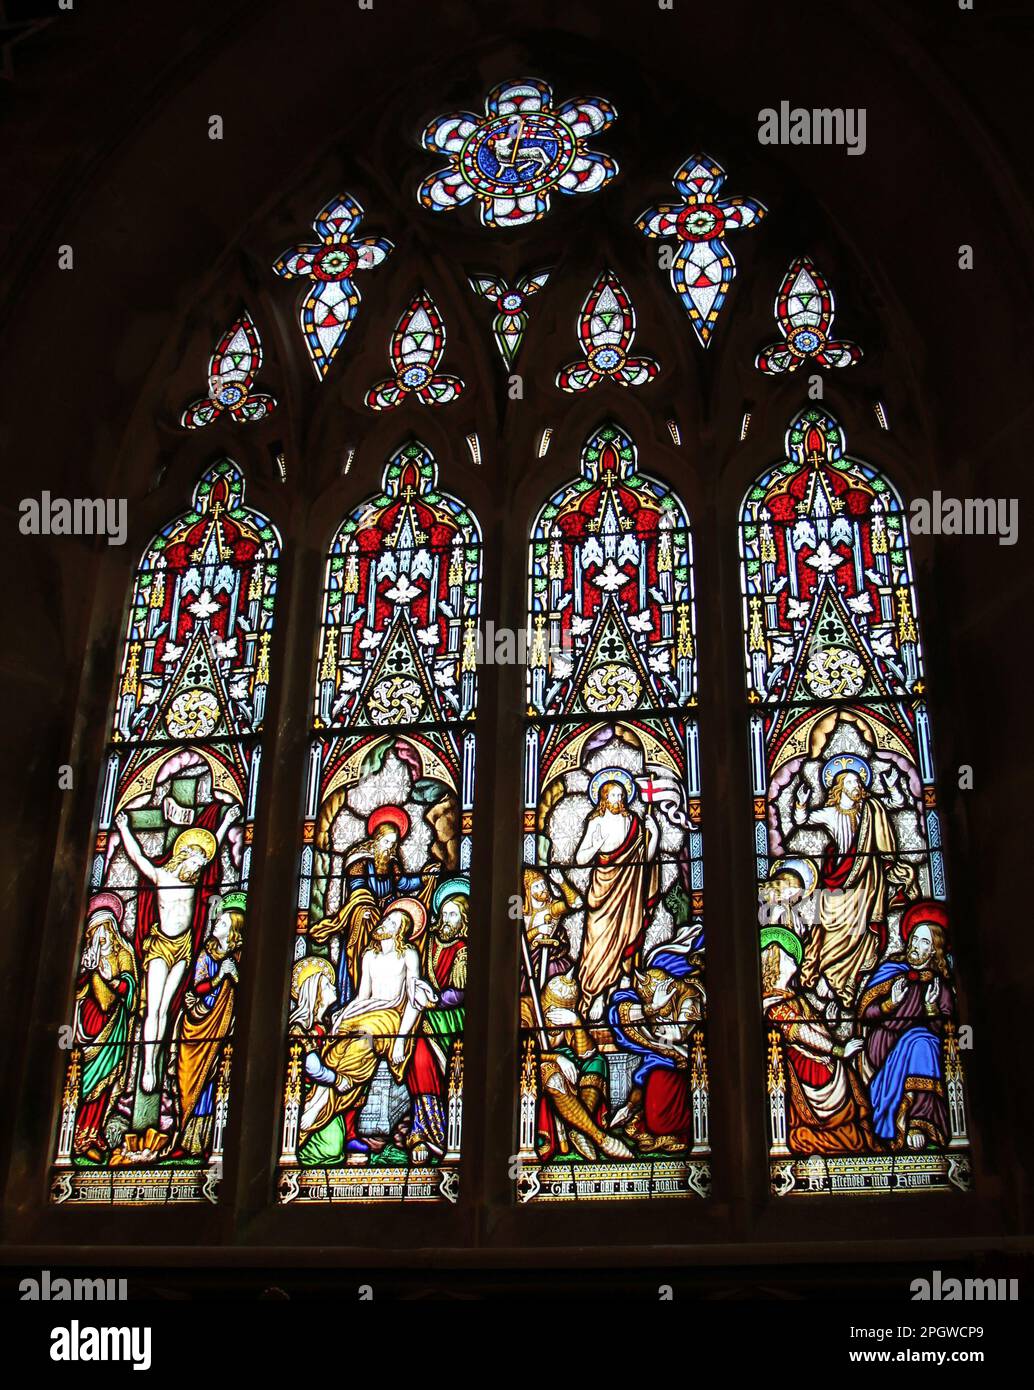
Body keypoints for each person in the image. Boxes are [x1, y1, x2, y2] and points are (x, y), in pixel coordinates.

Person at [298, 902, 439, 1165]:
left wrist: (401, 1041)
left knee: (364, 1039)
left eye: (393, 923)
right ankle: (321, 1097)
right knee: (338, 1044)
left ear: (401, 932)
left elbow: (412, 998)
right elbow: (362, 996)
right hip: (366, 1013)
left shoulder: (408, 955)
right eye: (387, 920)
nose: (386, 924)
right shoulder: (369, 956)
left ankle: (321, 1103)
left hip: (389, 1018)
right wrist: (342, 1015)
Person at [115, 802, 239, 1092]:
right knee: (154, 1010)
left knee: (166, 1010)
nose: (200, 867)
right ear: (184, 858)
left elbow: (213, 848)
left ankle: (154, 1061)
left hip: (183, 948)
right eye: (197, 862)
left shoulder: (194, 880)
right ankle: (147, 1066)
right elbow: (137, 858)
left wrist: (225, 823)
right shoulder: (162, 877)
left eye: (201, 864)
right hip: (160, 947)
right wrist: (123, 829)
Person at [793, 756, 914, 1010]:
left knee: (861, 934)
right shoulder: (831, 813)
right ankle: (827, 970)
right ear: (839, 786)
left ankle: (848, 981)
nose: (856, 784)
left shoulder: (871, 809)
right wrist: (801, 804)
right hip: (839, 880)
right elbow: (803, 821)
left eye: (858, 780)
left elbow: (898, 803)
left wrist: (892, 786)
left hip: (868, 882)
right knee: (829, 928)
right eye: (850, 781)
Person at [309, 805, 438, 1004]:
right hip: (363, 916)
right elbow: (357, 887)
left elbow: (403, 884)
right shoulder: (359, 861)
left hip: (386, 916)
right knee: (362, 954)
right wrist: (366, 908)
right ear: (376, 839)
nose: (390, 847)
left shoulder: (391, 862)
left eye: (393, 844)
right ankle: (352, 1000)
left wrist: (426, 876)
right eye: (386, 842)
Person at [761, 925, 872, 1154]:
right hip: (801, 1065)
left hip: (817, 1056)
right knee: (835, 1075)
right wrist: (839, 1050)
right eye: (786, 954)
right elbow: (803, 1034)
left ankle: (848, 1138)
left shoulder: (795, 998)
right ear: (773, 961)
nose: (794, 957)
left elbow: (813, 1028)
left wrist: (830, 1026)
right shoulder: (773, 1006)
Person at [858, 902, 953, 1151]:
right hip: (883, 1047)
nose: (915, 945)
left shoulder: (938, 985)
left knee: (921, 1040)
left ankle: (918, 1121)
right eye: (914, 938)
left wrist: (931, 1008)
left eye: (924, 942)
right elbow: (865, 1014)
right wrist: (890, 1003)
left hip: (919, 1051)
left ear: (934, 951)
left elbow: (948, 1033)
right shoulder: (891, 971)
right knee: (919, 1041)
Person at [574, 770, 660, 1017]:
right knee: (598, 943)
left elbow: (646, 859)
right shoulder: (596, 822)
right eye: (613, 794)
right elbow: (580, 859)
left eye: (621, 794)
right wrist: (596, 845)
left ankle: (619, 987)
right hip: (603, 892)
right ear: (603, 796)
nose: (618, 798)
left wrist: (653, 835)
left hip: (629, 890)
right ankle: (595, 992)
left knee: (628, 935)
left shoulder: (632, 821)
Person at [176, 893, 244, 1154]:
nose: (217, 924)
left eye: (224, 923)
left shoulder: (239, 956)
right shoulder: (206, 954)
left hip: (226, 1022)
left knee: (216, 1075)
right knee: (195, 1077)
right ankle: (187, 1133)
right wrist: (220, 978)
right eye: (218, 921)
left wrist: (234, 974)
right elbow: (198, 985)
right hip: (201, 1018)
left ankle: (207, 1138)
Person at [72, 894, 138, 1163]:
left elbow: (130, 988)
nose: (101, 940)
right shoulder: (87, 958)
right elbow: (75, 990)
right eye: (96, 934)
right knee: (84, 1080)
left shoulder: (124, 954)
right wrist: (88, 971)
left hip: (114, 1026)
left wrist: (113, 982)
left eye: (104, 933)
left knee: (106, 1080)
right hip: (90, 1023)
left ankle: (93, 1131)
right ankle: (79, 1134)